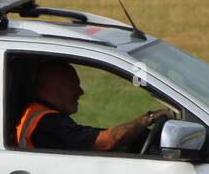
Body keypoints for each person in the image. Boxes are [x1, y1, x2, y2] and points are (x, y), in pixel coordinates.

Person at [16, 61, 172, 152]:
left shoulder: (40, 115)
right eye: (74, 85)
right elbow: (106, 141)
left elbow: (87, 136)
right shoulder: (46, 123)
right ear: (53, 87)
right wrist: (149, 118)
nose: (80, 91)